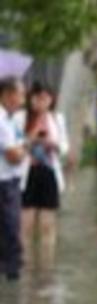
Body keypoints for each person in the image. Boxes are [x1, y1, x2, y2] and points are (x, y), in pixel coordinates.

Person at [14, 81, 69, 268]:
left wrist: (54, 144)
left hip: (49, 171)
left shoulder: (57, 118)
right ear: (31, 99)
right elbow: (13, 146)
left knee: (48, 224)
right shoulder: (20, 117)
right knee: (25, 223)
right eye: (37, 98)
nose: (41, 102)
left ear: (51, 99)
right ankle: (25, 264)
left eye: (46, 98)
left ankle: (46, 266)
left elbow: (64, 147)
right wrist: (33, 136)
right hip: (27, 172)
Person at [0, 77, 27, 281]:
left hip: (11, 181)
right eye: (21, 94)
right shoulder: (1, 120)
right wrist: (25, 148)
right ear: (8, 95)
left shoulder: (11, 119)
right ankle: (10, 273)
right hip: (4, 182)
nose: (23, 99)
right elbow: (13, 155)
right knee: (10, 229)